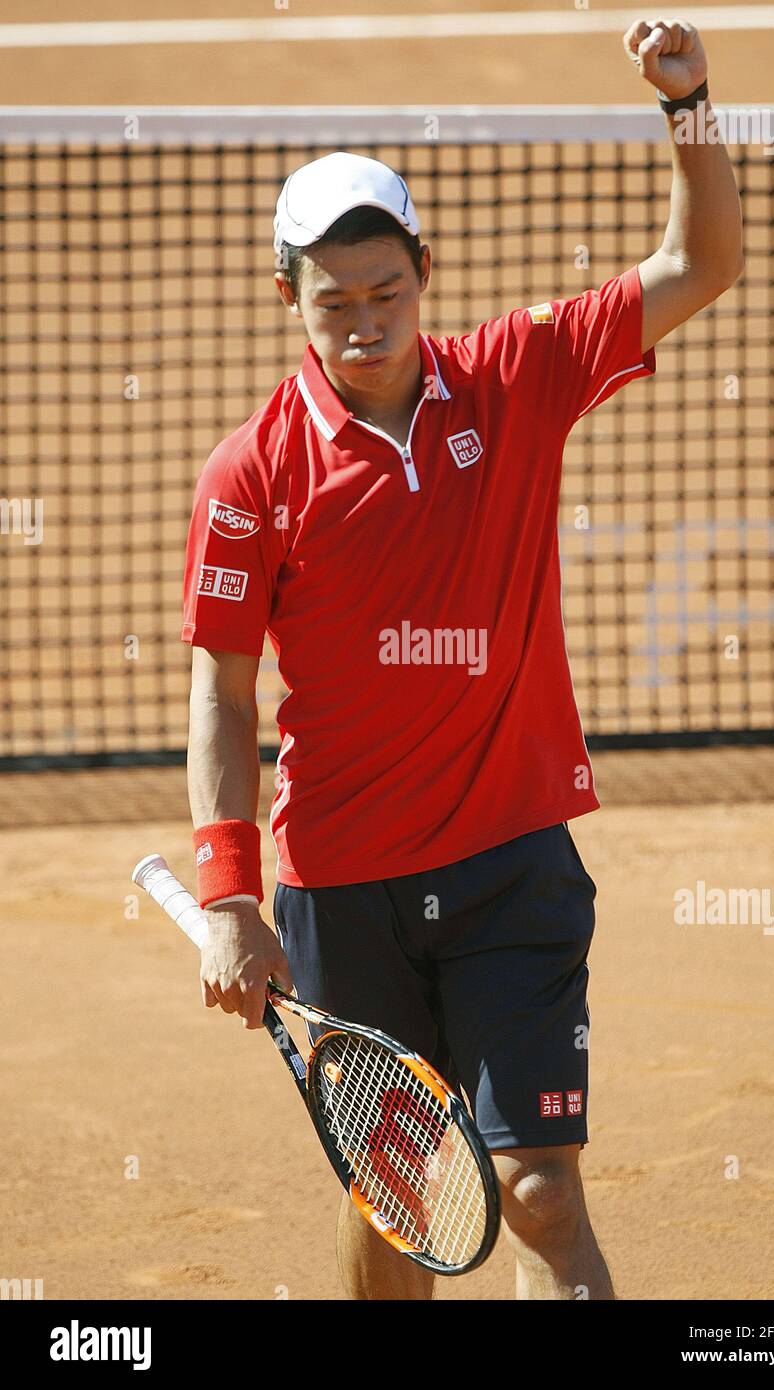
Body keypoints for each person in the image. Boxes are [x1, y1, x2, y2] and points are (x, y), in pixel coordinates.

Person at [181, 16, 743, 1300]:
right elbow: (219, 690)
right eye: (333, 305)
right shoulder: (248, 475)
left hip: (509, 860)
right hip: (343, 882)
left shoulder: (514, 375)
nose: (365, 326)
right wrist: (228, 896)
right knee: (395, 1203)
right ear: (289, 300)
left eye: (388, 294)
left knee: (535, 1191)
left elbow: (699, 259)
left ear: (423, 271)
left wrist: (691, 103)